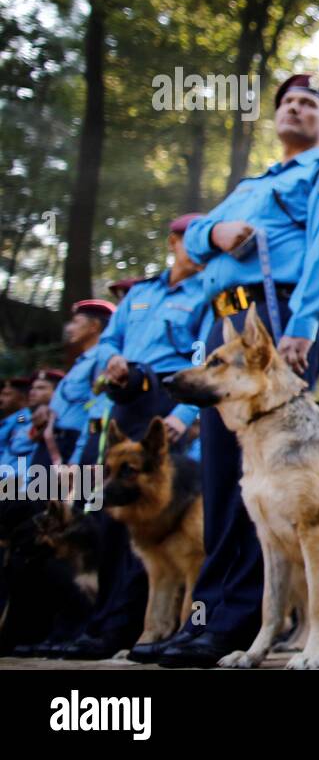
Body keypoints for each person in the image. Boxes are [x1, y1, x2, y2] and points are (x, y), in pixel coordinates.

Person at [157, 72, 319, 668]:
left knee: (274, 481)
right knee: (227, 480)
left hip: (275, 330)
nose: (297, 108)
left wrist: (301, 329)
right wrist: (215, 230)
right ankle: (213, 617)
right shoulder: (252, 185)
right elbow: (193, 241)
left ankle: (239, 622)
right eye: (289, 101)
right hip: (222, 327)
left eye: (311, 104)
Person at [52, 214, 210, 662]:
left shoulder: (205, 294)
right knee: (107, 516)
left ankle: (133, 628)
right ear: (174, 241)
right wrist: (115, 357)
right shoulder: (141, 294)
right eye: (190, 241)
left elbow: (203, 361)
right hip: (125, 399)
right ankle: (101, 623)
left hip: (165, 403)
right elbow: (110, 340)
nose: (200, 249)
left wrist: (183, 413)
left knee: (152, 524)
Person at [32, 302, 114, 469]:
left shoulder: (102, 360)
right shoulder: (81, 362)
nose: (69, 328)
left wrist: (78, 458)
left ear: (94, 326)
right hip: (51, 443)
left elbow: (98, 412)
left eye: (76, 322)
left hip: (70, 446)